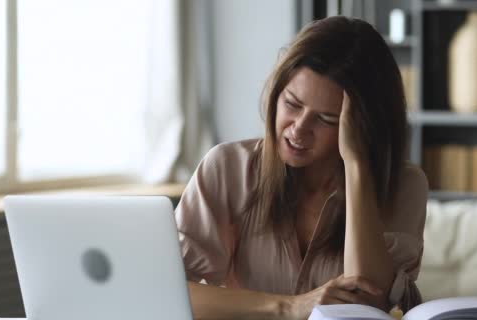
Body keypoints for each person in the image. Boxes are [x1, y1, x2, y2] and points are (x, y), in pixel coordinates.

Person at [175, 16, 428, 320]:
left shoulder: (404, 185)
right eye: (292, 104)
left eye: (326, 120)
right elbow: (168, 289)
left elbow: (368, 304)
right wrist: (288, 306)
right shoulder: (228, 168)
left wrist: (357, 165)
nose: (298, 130)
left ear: (363, 127)